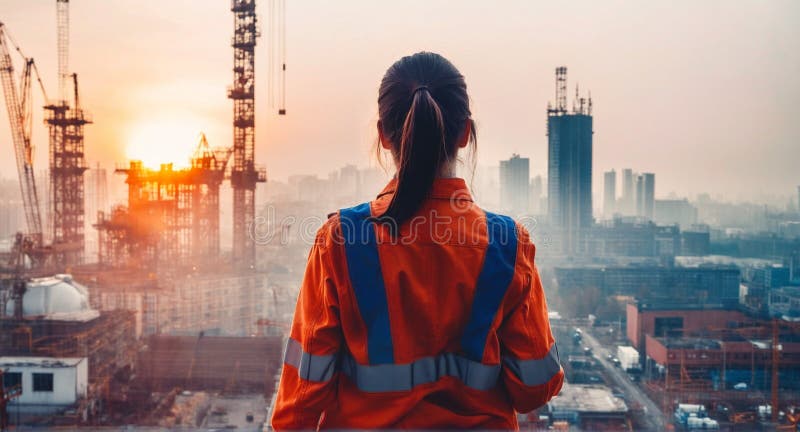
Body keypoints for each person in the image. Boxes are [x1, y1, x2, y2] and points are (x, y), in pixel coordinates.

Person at [271, 51, 563, 430]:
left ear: (383, 135)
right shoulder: (507, 245)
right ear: (465, 133)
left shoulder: (341, 241)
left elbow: (300, 406)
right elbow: (535, 388)